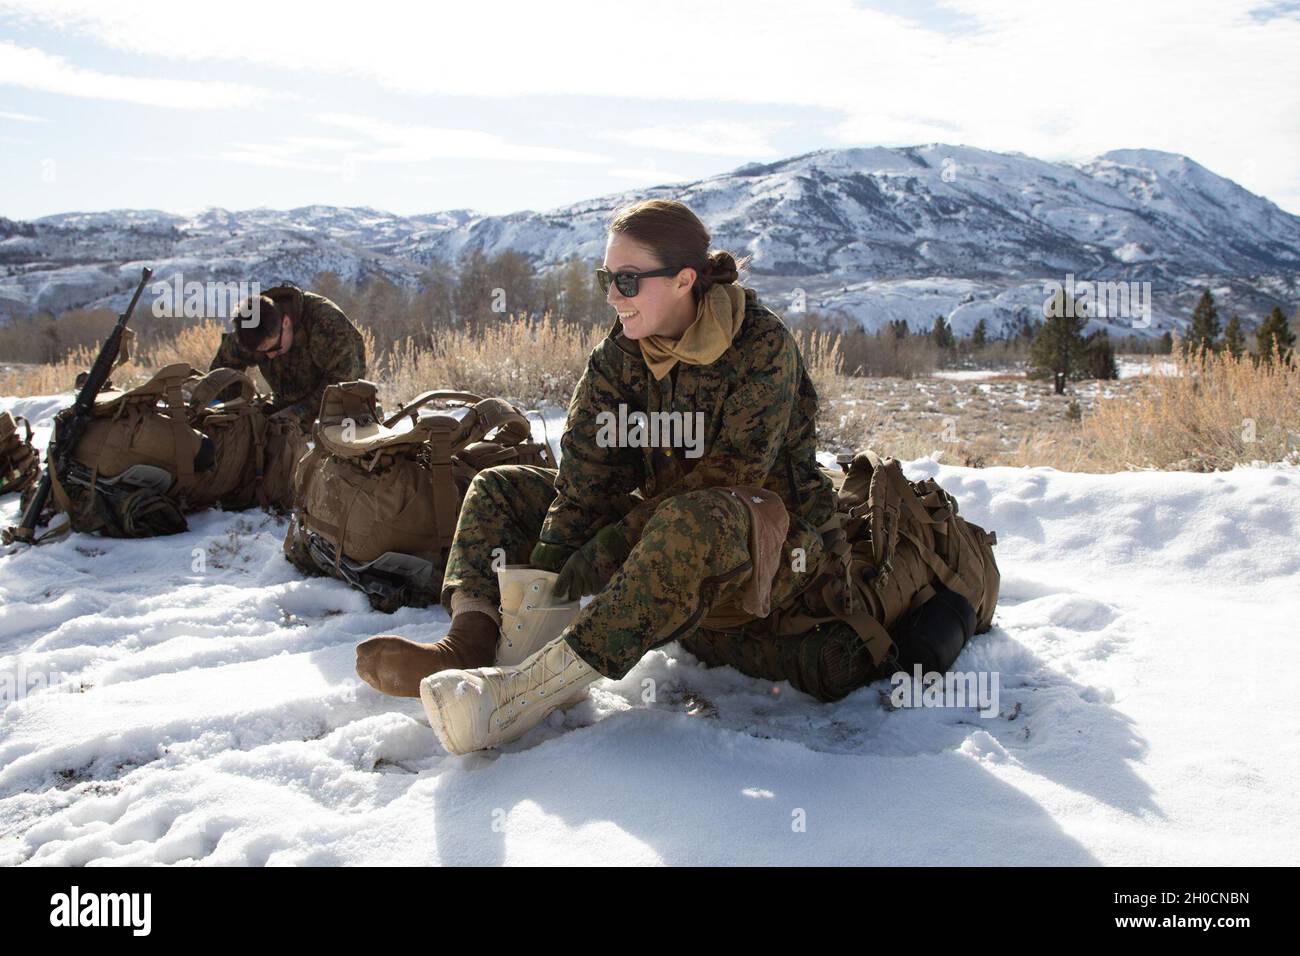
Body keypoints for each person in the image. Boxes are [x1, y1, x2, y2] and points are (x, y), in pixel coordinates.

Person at [356, 199, 876, 754]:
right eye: (607, 278)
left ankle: (518, 695)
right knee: (500, 487)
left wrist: (606, 551)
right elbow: (585, 479)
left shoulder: (760, 346)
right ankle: (470, 646)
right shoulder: (620, 354)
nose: (611, 297)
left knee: (687, 520)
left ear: (684, 280)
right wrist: (554, 578)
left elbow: (730, 478)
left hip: (770, 546)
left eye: (626, 280)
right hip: (662, 536)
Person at [209, 283, 365, 430]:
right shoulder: (252, 327)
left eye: (275, 349)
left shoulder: (327, 324)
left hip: (339, 414)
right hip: (283, 410)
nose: (269, 356)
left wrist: (298, 412)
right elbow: (222, 372)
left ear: (286, 322)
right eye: (261, 353)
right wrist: (229, 408)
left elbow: (344, 384)